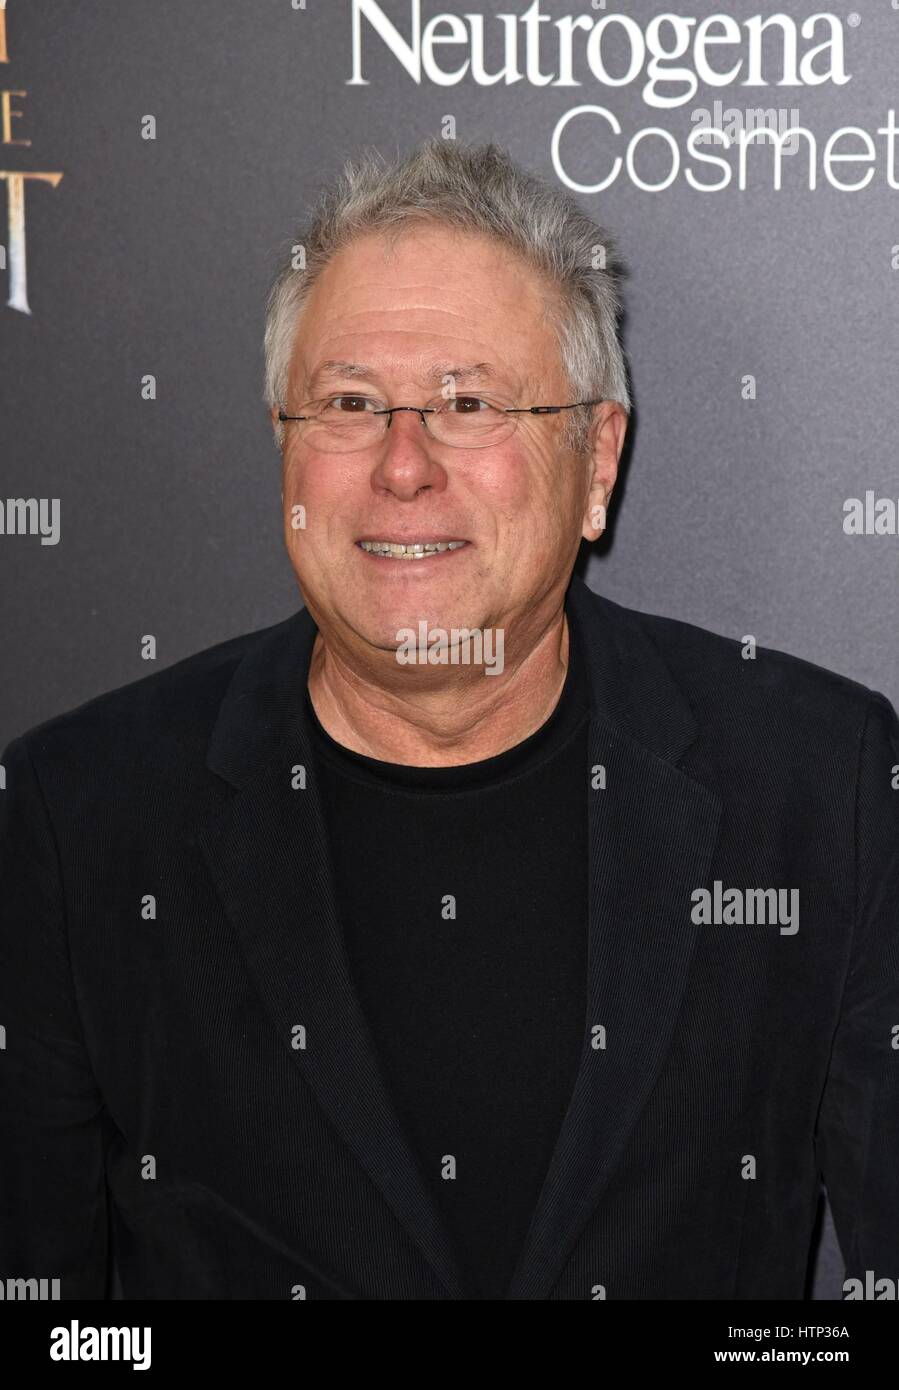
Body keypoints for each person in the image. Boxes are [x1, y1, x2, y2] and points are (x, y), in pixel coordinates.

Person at [1, 139, 897, 1300]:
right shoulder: (79, 818)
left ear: (595, 463)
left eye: (469, 402)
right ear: (285, 447)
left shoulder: (822, 788)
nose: (403, 464)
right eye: (349, 403)